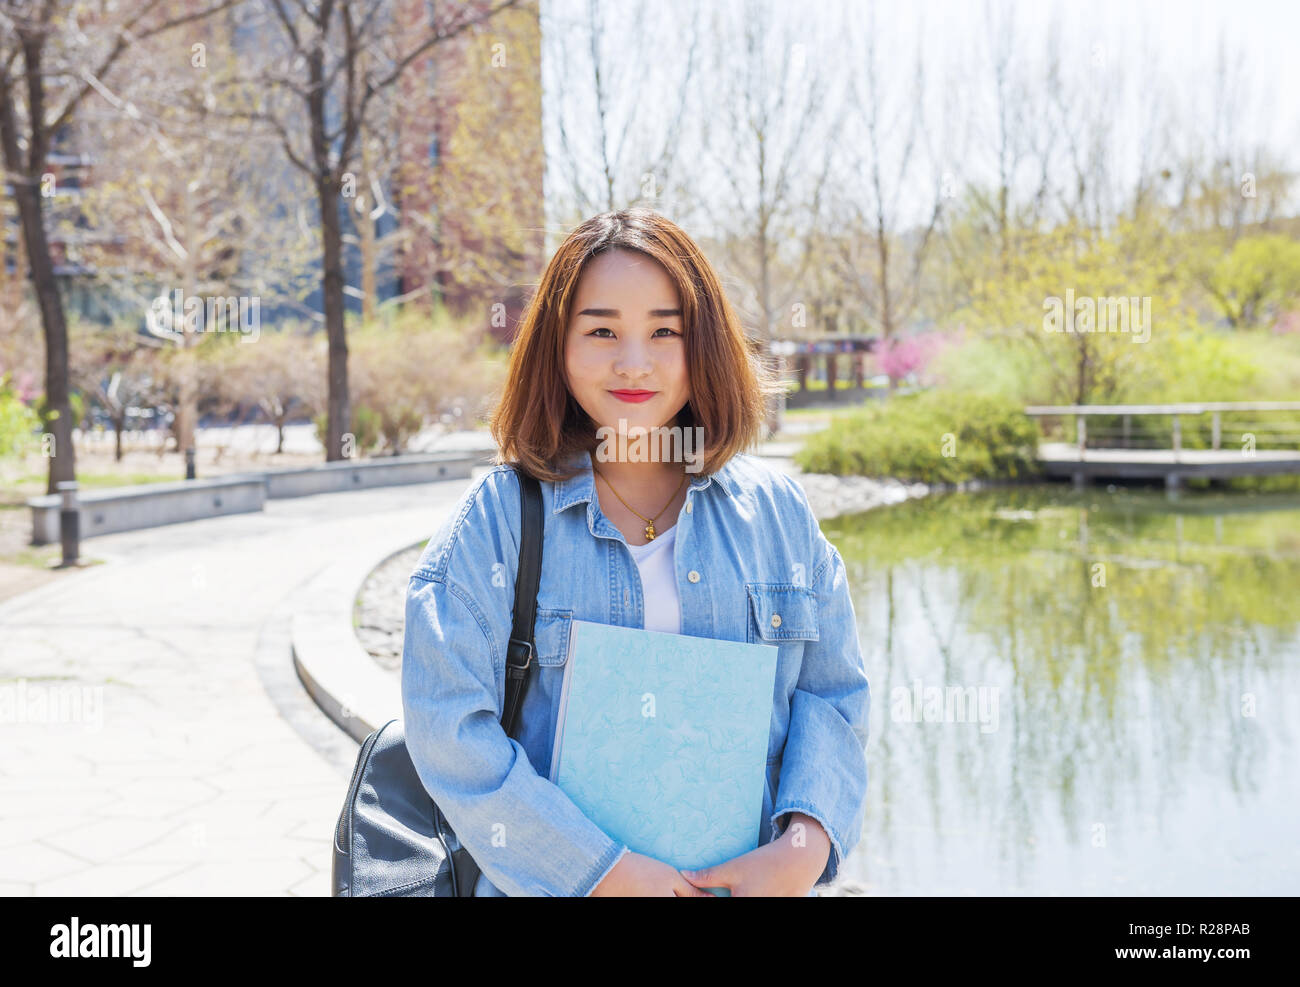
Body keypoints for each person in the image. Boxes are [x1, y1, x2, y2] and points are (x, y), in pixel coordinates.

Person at [401, 208, 870, 896]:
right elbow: (449, 731)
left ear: (702, 342)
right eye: (601, 330)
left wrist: (804, 845)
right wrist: (598, 873)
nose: (633, 361)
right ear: (556, 346)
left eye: (664, 330)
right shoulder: (496, 523)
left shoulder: (778, 515)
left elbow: (832, 695)